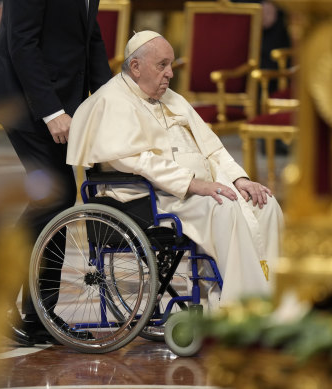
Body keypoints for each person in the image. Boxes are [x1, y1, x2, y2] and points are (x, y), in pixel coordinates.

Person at [66, 31, 284, 309]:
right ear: (136, 67)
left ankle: (274, 304)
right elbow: (137, 161)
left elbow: (212, 148)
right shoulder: (111, 101)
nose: (170, 73)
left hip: (199, 189)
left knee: (266, 205)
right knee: (225, 207)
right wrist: (194, 184)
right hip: (154, 196)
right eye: (162, 65)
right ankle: (238, 309)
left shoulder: (171, 97)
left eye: (170, 65)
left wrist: (240, 179)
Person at [0, 0, 112, 346]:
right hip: (24, 100)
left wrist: (112, 104)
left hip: (61, 96)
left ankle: (40, 315)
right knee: (52, 198)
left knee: (57, 198)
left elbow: (91, 40)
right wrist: (51, 110)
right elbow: (22, 42)